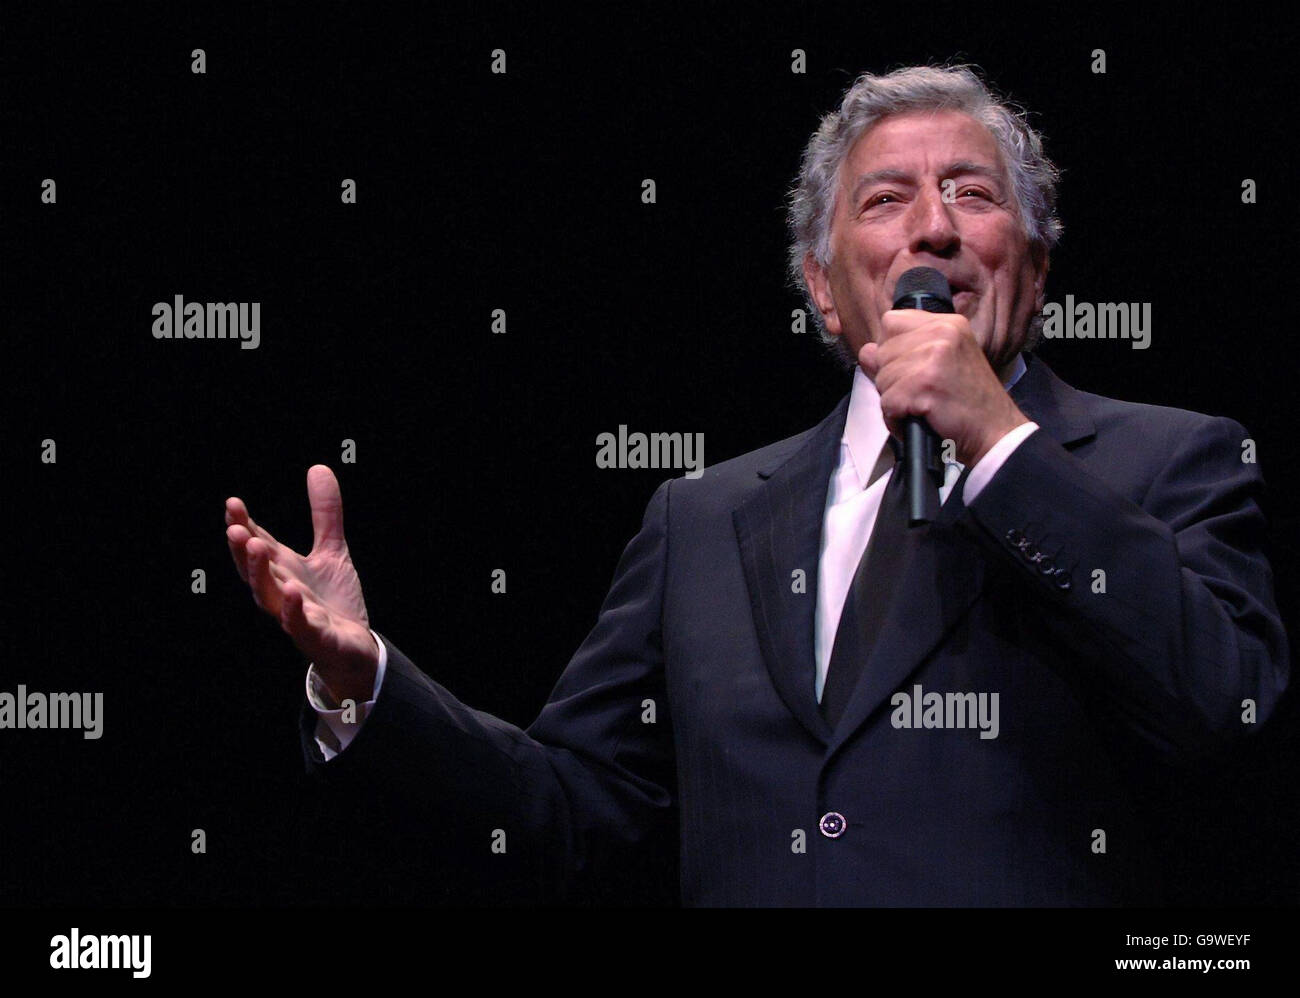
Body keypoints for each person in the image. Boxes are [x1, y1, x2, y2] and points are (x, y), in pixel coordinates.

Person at [224, 65, 1289, 905]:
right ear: (824, 290)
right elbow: (566, 808)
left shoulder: (1170, 462)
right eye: (885, 198)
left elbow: (1230, 718)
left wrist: (1001, 446)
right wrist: (368, 685)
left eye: (971, 192)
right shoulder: (702, 518)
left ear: (1035, 264)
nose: (932, 225)